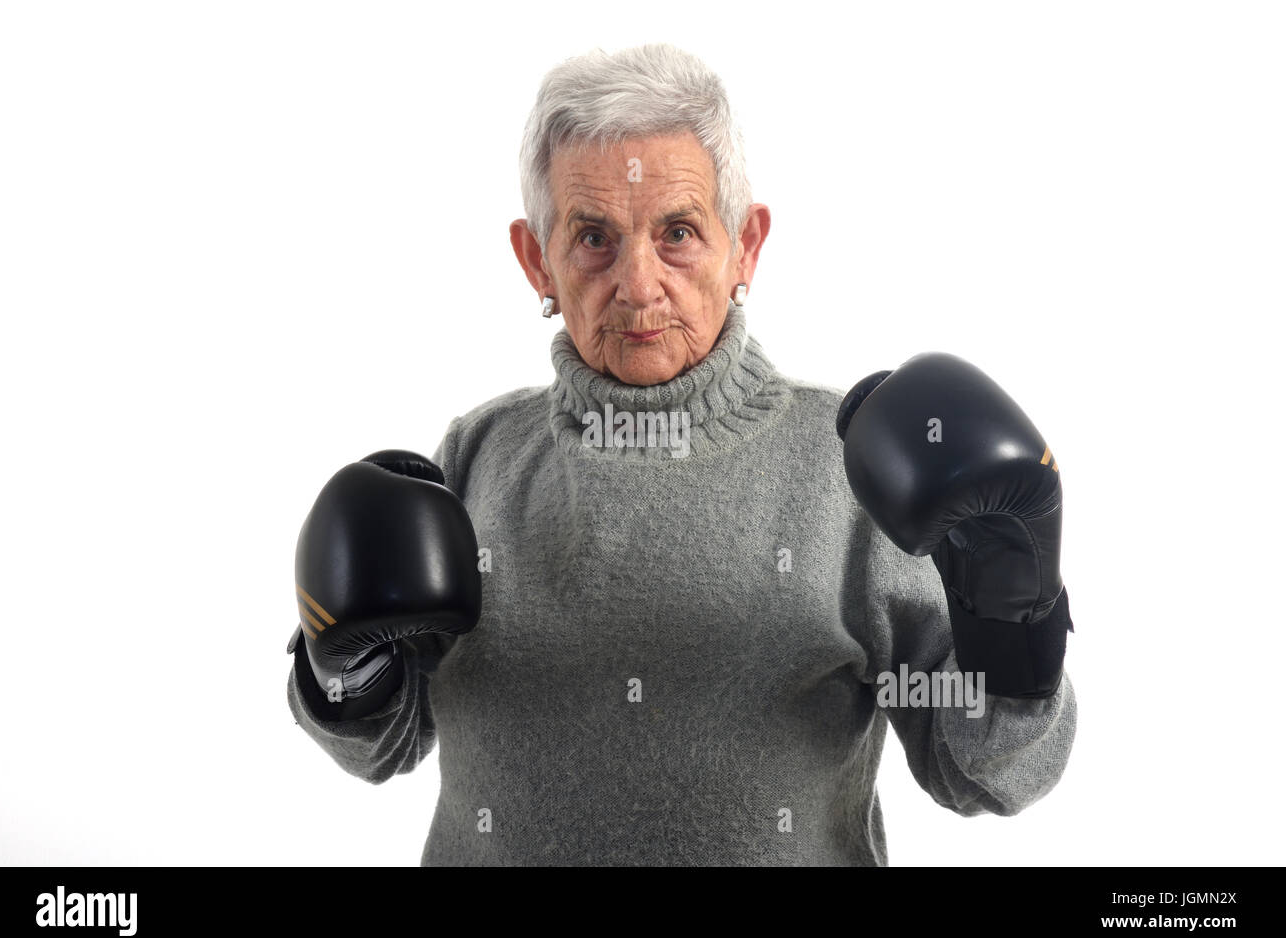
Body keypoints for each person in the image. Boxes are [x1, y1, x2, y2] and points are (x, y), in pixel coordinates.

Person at [284, 42, 1077, 866]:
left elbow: (987, 773)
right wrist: (344, 668)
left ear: (747, 246)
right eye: (593, 237)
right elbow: (378, 748)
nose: (637, 283)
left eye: (678, 233)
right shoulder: (474, 458)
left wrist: (1013, 619)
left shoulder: (851, 470)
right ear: (535, 260)